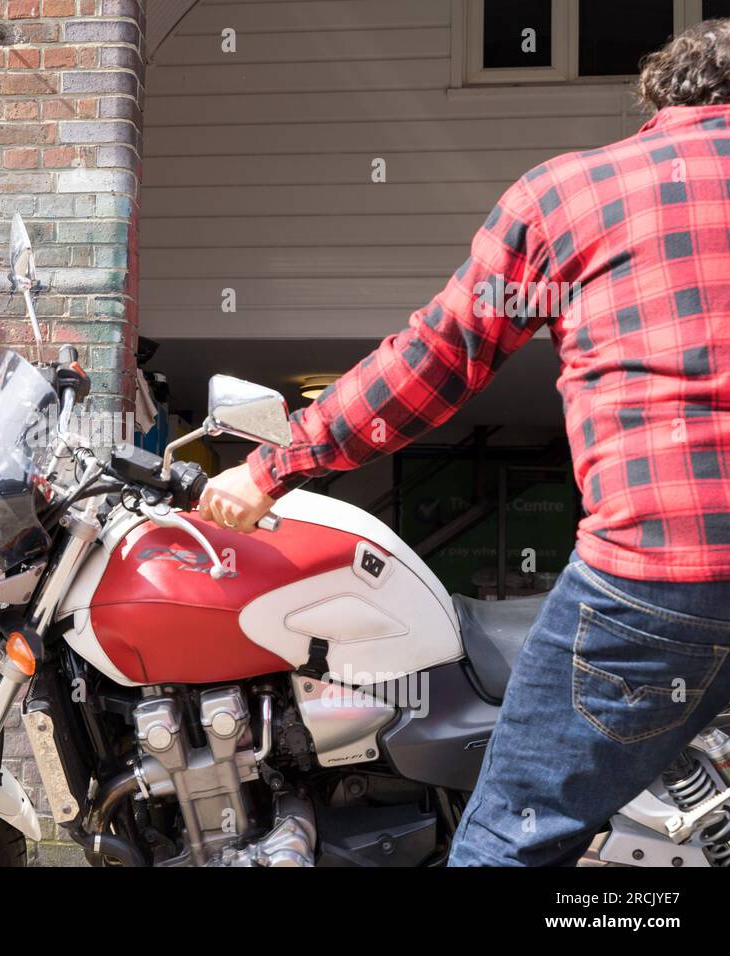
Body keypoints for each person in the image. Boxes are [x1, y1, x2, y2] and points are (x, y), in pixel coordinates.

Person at [197, 20, 730, 866]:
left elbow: (434, 362)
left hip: (660, 576)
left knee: (505, 845)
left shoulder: (575, 193)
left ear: (659, 100)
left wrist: (273, 465)